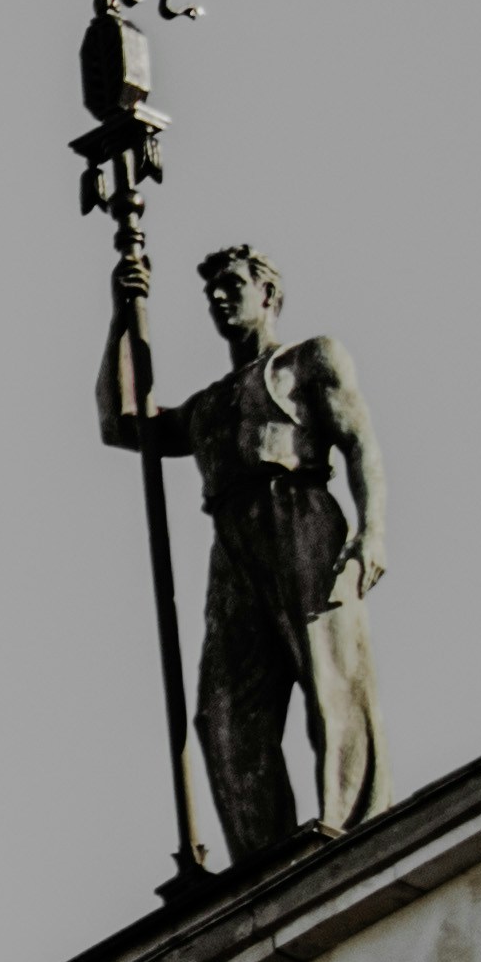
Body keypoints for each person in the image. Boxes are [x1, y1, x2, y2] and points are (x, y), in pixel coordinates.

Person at [99, 242, 383, 857]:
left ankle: (357, 827)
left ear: (268, 293)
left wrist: (371, 531)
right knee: (223, 713)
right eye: (210, 292)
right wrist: (124, 316)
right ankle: (264, 855)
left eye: (231, 284)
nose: (218, 298)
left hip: (297, 513)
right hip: (232, 539)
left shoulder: (308, 361)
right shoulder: (207, 405)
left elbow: (359, 440)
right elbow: (122, 424)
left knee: (327, 674)